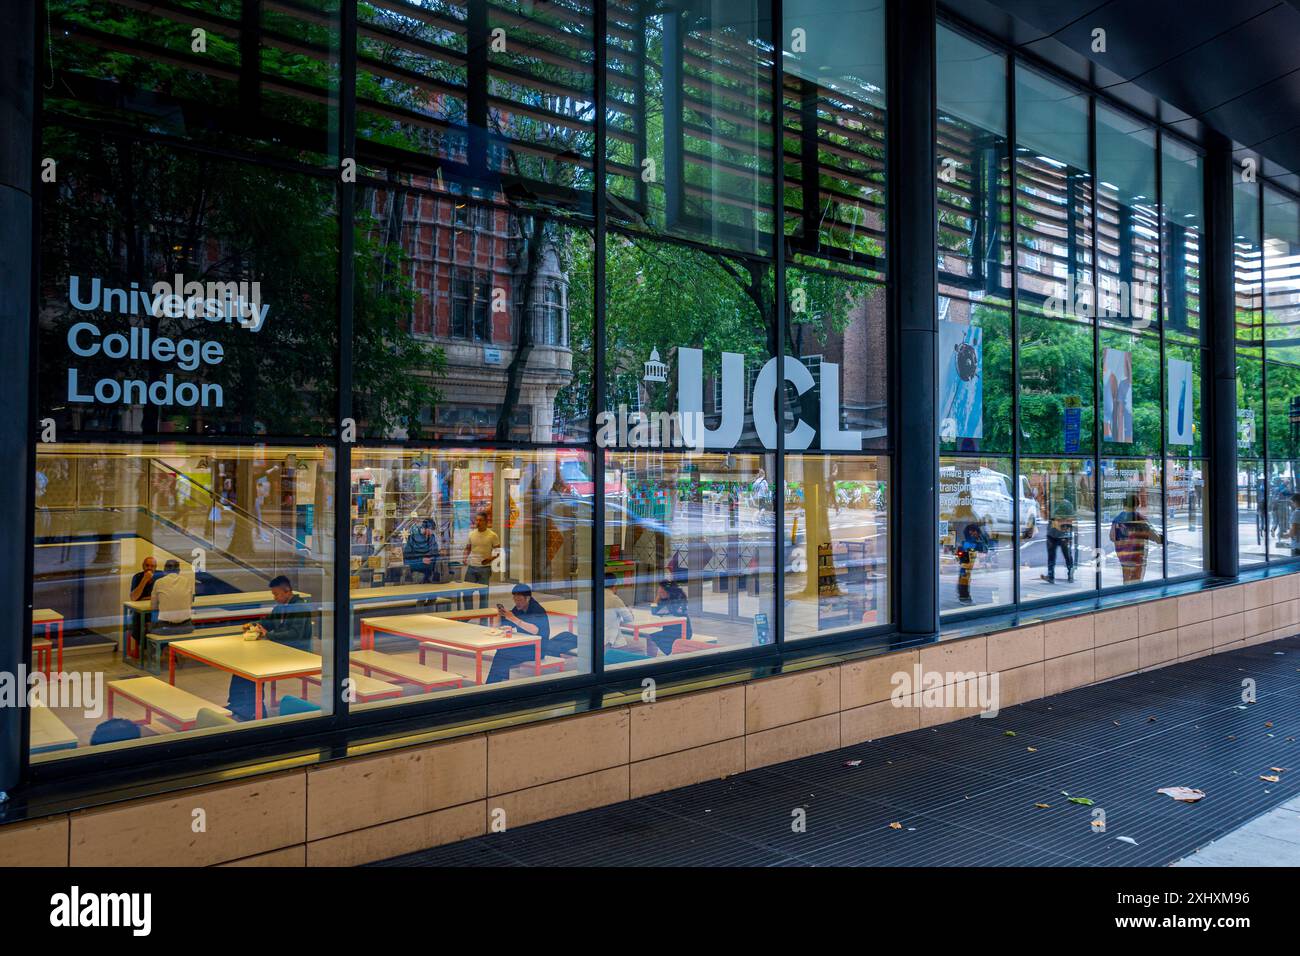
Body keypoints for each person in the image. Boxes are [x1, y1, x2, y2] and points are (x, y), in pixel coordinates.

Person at [227, 576, 313, 720]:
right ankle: (237, 704)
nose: (274, 597)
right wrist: (254, 625)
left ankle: (254, 709)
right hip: (280, 648)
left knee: (254, 667)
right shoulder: (280, 608)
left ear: (287, 591)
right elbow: (268, 622)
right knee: (242, 665)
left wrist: (269, 635)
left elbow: (295, 634)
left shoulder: (300, 608)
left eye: (276, 594)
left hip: (296, 652)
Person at [486, 584, 551, 683]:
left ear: (528, 598)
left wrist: (513, 618)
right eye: (515, 600)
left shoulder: (537, 609)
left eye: (519, 600)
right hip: (525, 645)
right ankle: (498, 681)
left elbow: (535, 630)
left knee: (504, 654)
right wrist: (499, 615)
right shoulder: (519, 608)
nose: (517, 603)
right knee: (502, 650)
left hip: (537, 649)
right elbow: (497, 627)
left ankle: (493, 683)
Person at [1110, 492, 1164, 583]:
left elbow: (1112, 537)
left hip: (1123, 556)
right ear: (1136, 505)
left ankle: (1126, 590)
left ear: (1124, 505)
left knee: (1126, 578)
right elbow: (1152, 534)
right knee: (1136, 579)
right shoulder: (1140, 519)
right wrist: (1160, 539)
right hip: (1137, 556)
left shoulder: (1117, 519)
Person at [949, 490, 988, 605]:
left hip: (960, 546)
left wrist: (952, 547)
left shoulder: (955, 514)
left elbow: (952, 531)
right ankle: (964, 595)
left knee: (963, 570)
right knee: (966, 572)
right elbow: (979, 530)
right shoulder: (972, 515)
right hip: (969, 547)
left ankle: (963, 594)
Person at [462, 510, 500, 609]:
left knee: (483, 594)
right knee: (467, 592)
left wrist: (490, 559)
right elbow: (468, 548)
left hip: (485, 568)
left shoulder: (492, 535)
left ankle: (483, 615)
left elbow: (497, 552)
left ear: (486, 522)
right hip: (472, 567)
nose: (478, 522)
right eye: (477, 520)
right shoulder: (471, 534)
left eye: (480, 520)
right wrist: (464, 558)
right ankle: (468, 613)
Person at [647, 579, 692, 655]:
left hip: (681, 630)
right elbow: (654, 612)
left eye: (662, 592)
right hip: (669, 629)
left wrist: (665, 609)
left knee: (653, 637)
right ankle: (651, 658)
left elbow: (677, 612)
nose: (660, 594)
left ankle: (669, 654)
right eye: (659, 592)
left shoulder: (679, 598)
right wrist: (657, 598)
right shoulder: (664, 599)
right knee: (650, 637)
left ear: (669, 591)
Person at [150, 559, 195, 634]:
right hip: (186, 627)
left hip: (166, 627)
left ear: (164, 570)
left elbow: (154, 607)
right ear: (179, 571)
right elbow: (190, 602)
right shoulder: (187, 581)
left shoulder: (159, 582)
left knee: (147, 629)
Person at [1040, 499, 1077, 584]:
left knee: (1053, 557)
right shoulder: (1067, 507)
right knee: (1067, 556)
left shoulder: (1057, 506)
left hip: (1054, 534)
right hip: (1061, 535)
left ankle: (1051, 576)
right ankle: (1069, 575)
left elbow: (1050, 518)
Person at [404, 518, 441, 584]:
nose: (431, 532)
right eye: (430, 530)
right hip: (417, 575)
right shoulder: (412, 539)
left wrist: (435, 559)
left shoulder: (432, 538)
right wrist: (421, 561)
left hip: (430, 576)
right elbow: (406, 561)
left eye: (432, 530)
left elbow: (436, 554)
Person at [604, 579, 635, 649]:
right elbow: (629, 618)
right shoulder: (614, 598)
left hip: (597, 638)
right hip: (610, 640)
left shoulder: (595, 596)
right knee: (641, 647)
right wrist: (630, 612)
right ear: (615, 585)